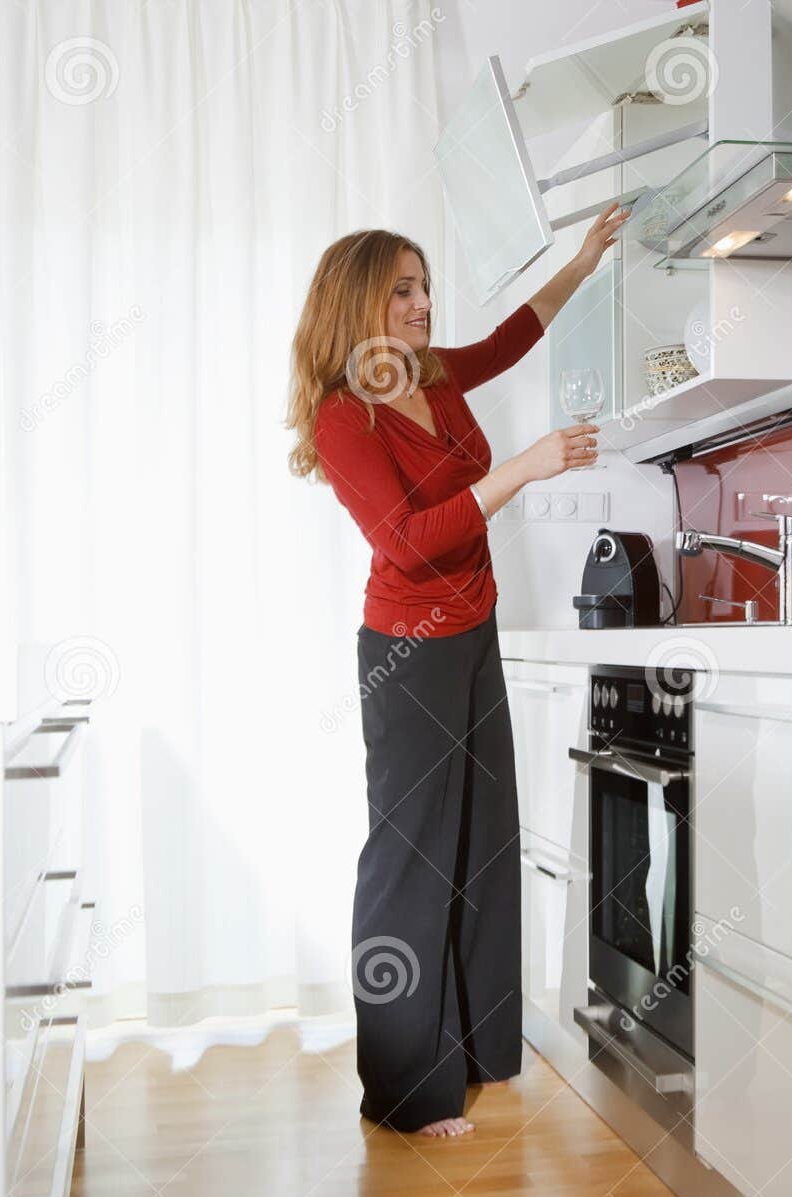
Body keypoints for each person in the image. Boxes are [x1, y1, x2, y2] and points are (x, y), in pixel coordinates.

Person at [287, 203, 629, 1139]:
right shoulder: (343, 416)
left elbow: (511, 339)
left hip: (471, 635)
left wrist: (584, 259)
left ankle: (474, 1051)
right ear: (358, 300)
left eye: (424, 286)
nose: (423, 303)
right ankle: (403, 1086)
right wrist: (524, 467)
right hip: (407, 655)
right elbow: (405, 545)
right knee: (407, 860)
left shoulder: (429, 378)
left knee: (481, 842)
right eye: (402, 289)